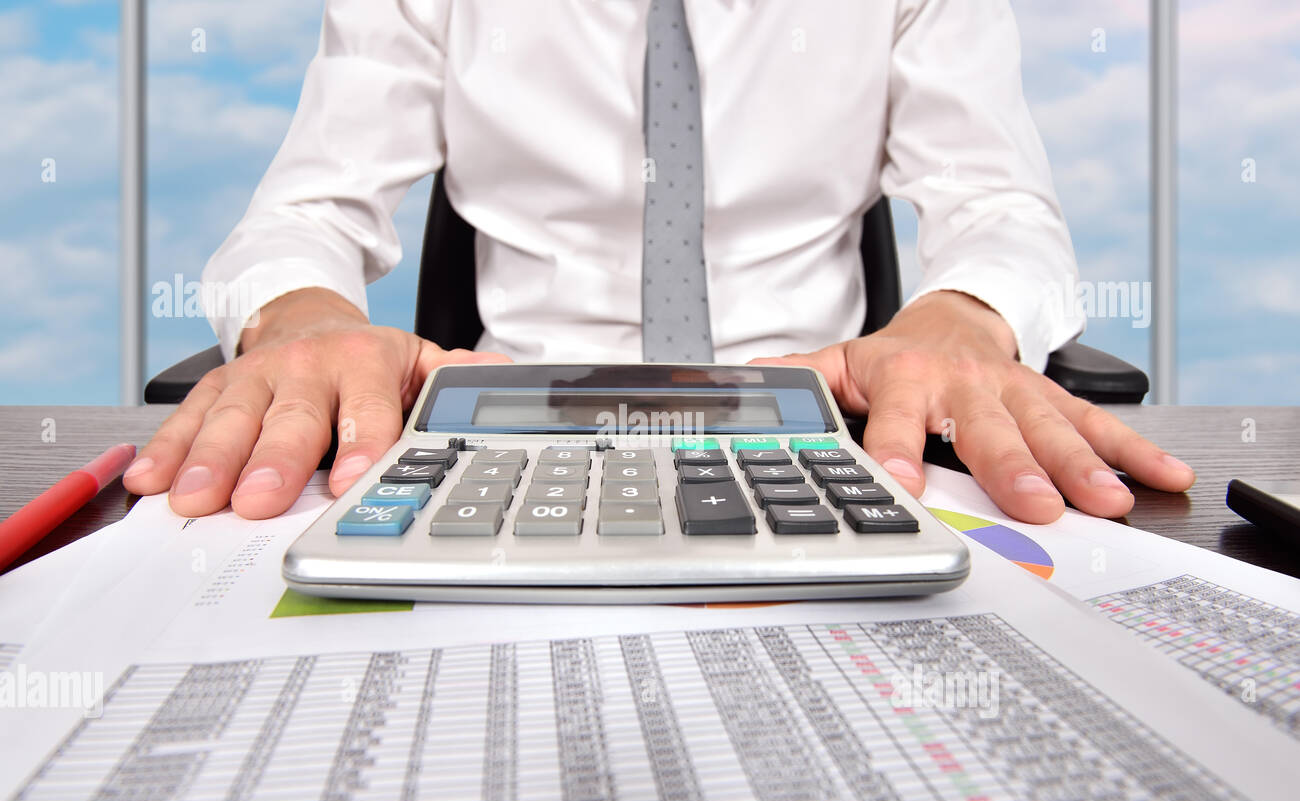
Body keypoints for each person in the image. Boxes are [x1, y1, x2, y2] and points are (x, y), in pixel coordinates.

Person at [123, 0, 1195, 524]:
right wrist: (304, 320)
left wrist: (960, 319)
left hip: (830, 443)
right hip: (509, 438)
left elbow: (996, 202)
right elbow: (305, 208)